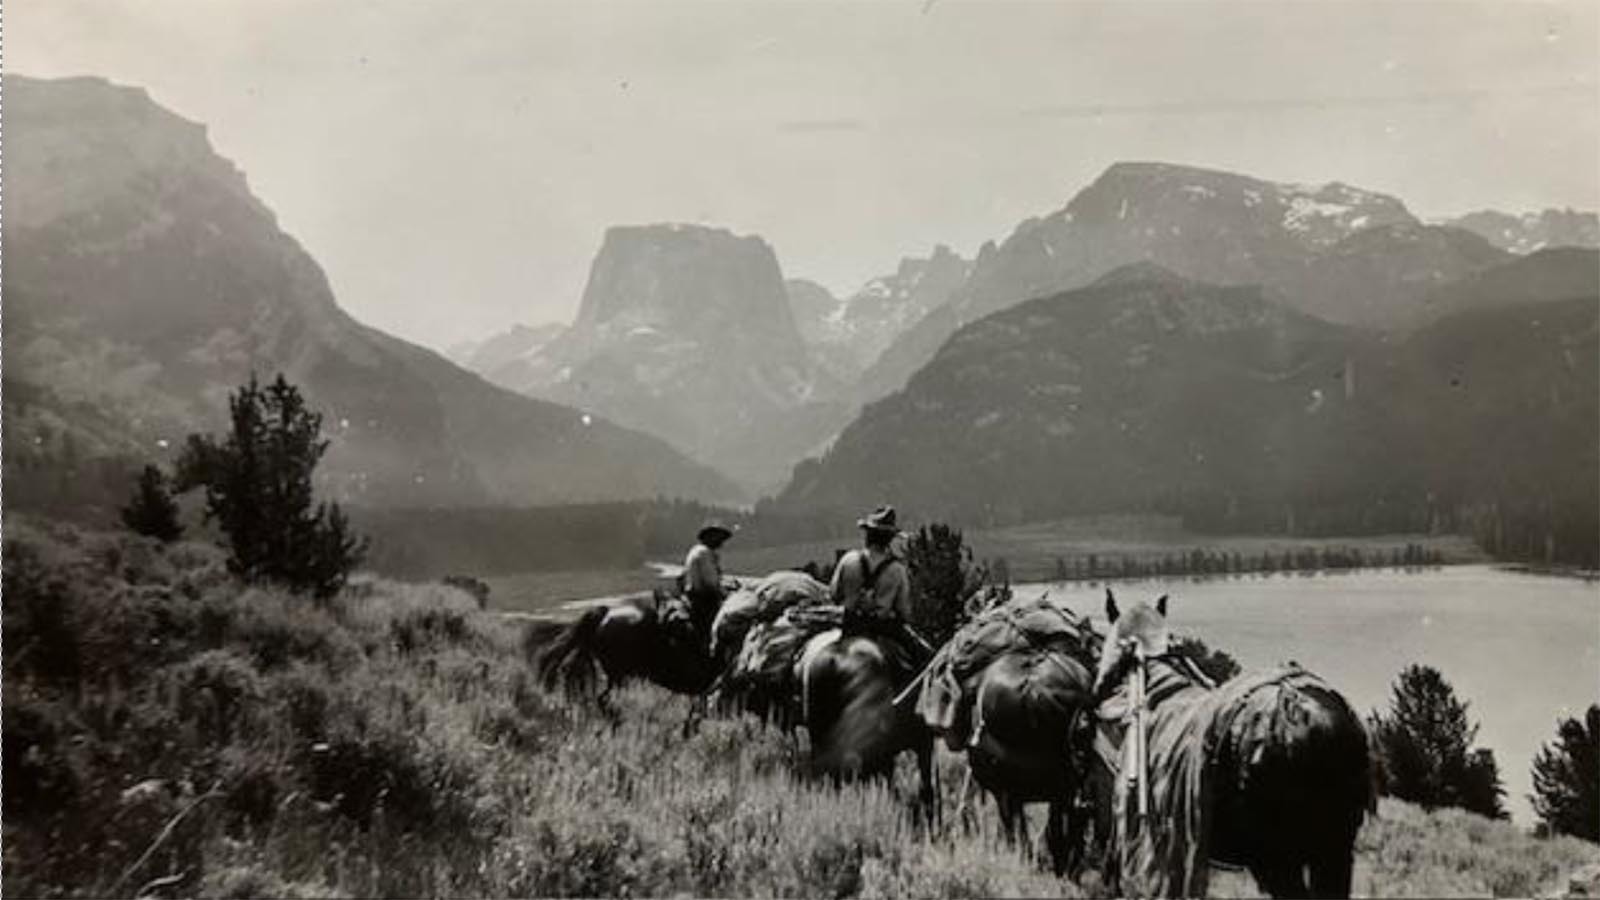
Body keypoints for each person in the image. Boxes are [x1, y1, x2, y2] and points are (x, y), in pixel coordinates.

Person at [830, 506, 931, 683]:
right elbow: (904, 611)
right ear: (889, 539)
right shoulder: (897, 570)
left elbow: (834, 594)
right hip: (883, 629)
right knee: (926, 660)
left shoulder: (848, 560)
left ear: (867, 534)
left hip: (849, 625)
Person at [683, 519, 736, 643]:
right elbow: (711, 584)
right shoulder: (704, 553)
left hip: (695, 596)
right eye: (718, 536)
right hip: (703, 600)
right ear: (709, 536)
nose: (721, 541)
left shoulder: (697, 550)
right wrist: (728, 595)